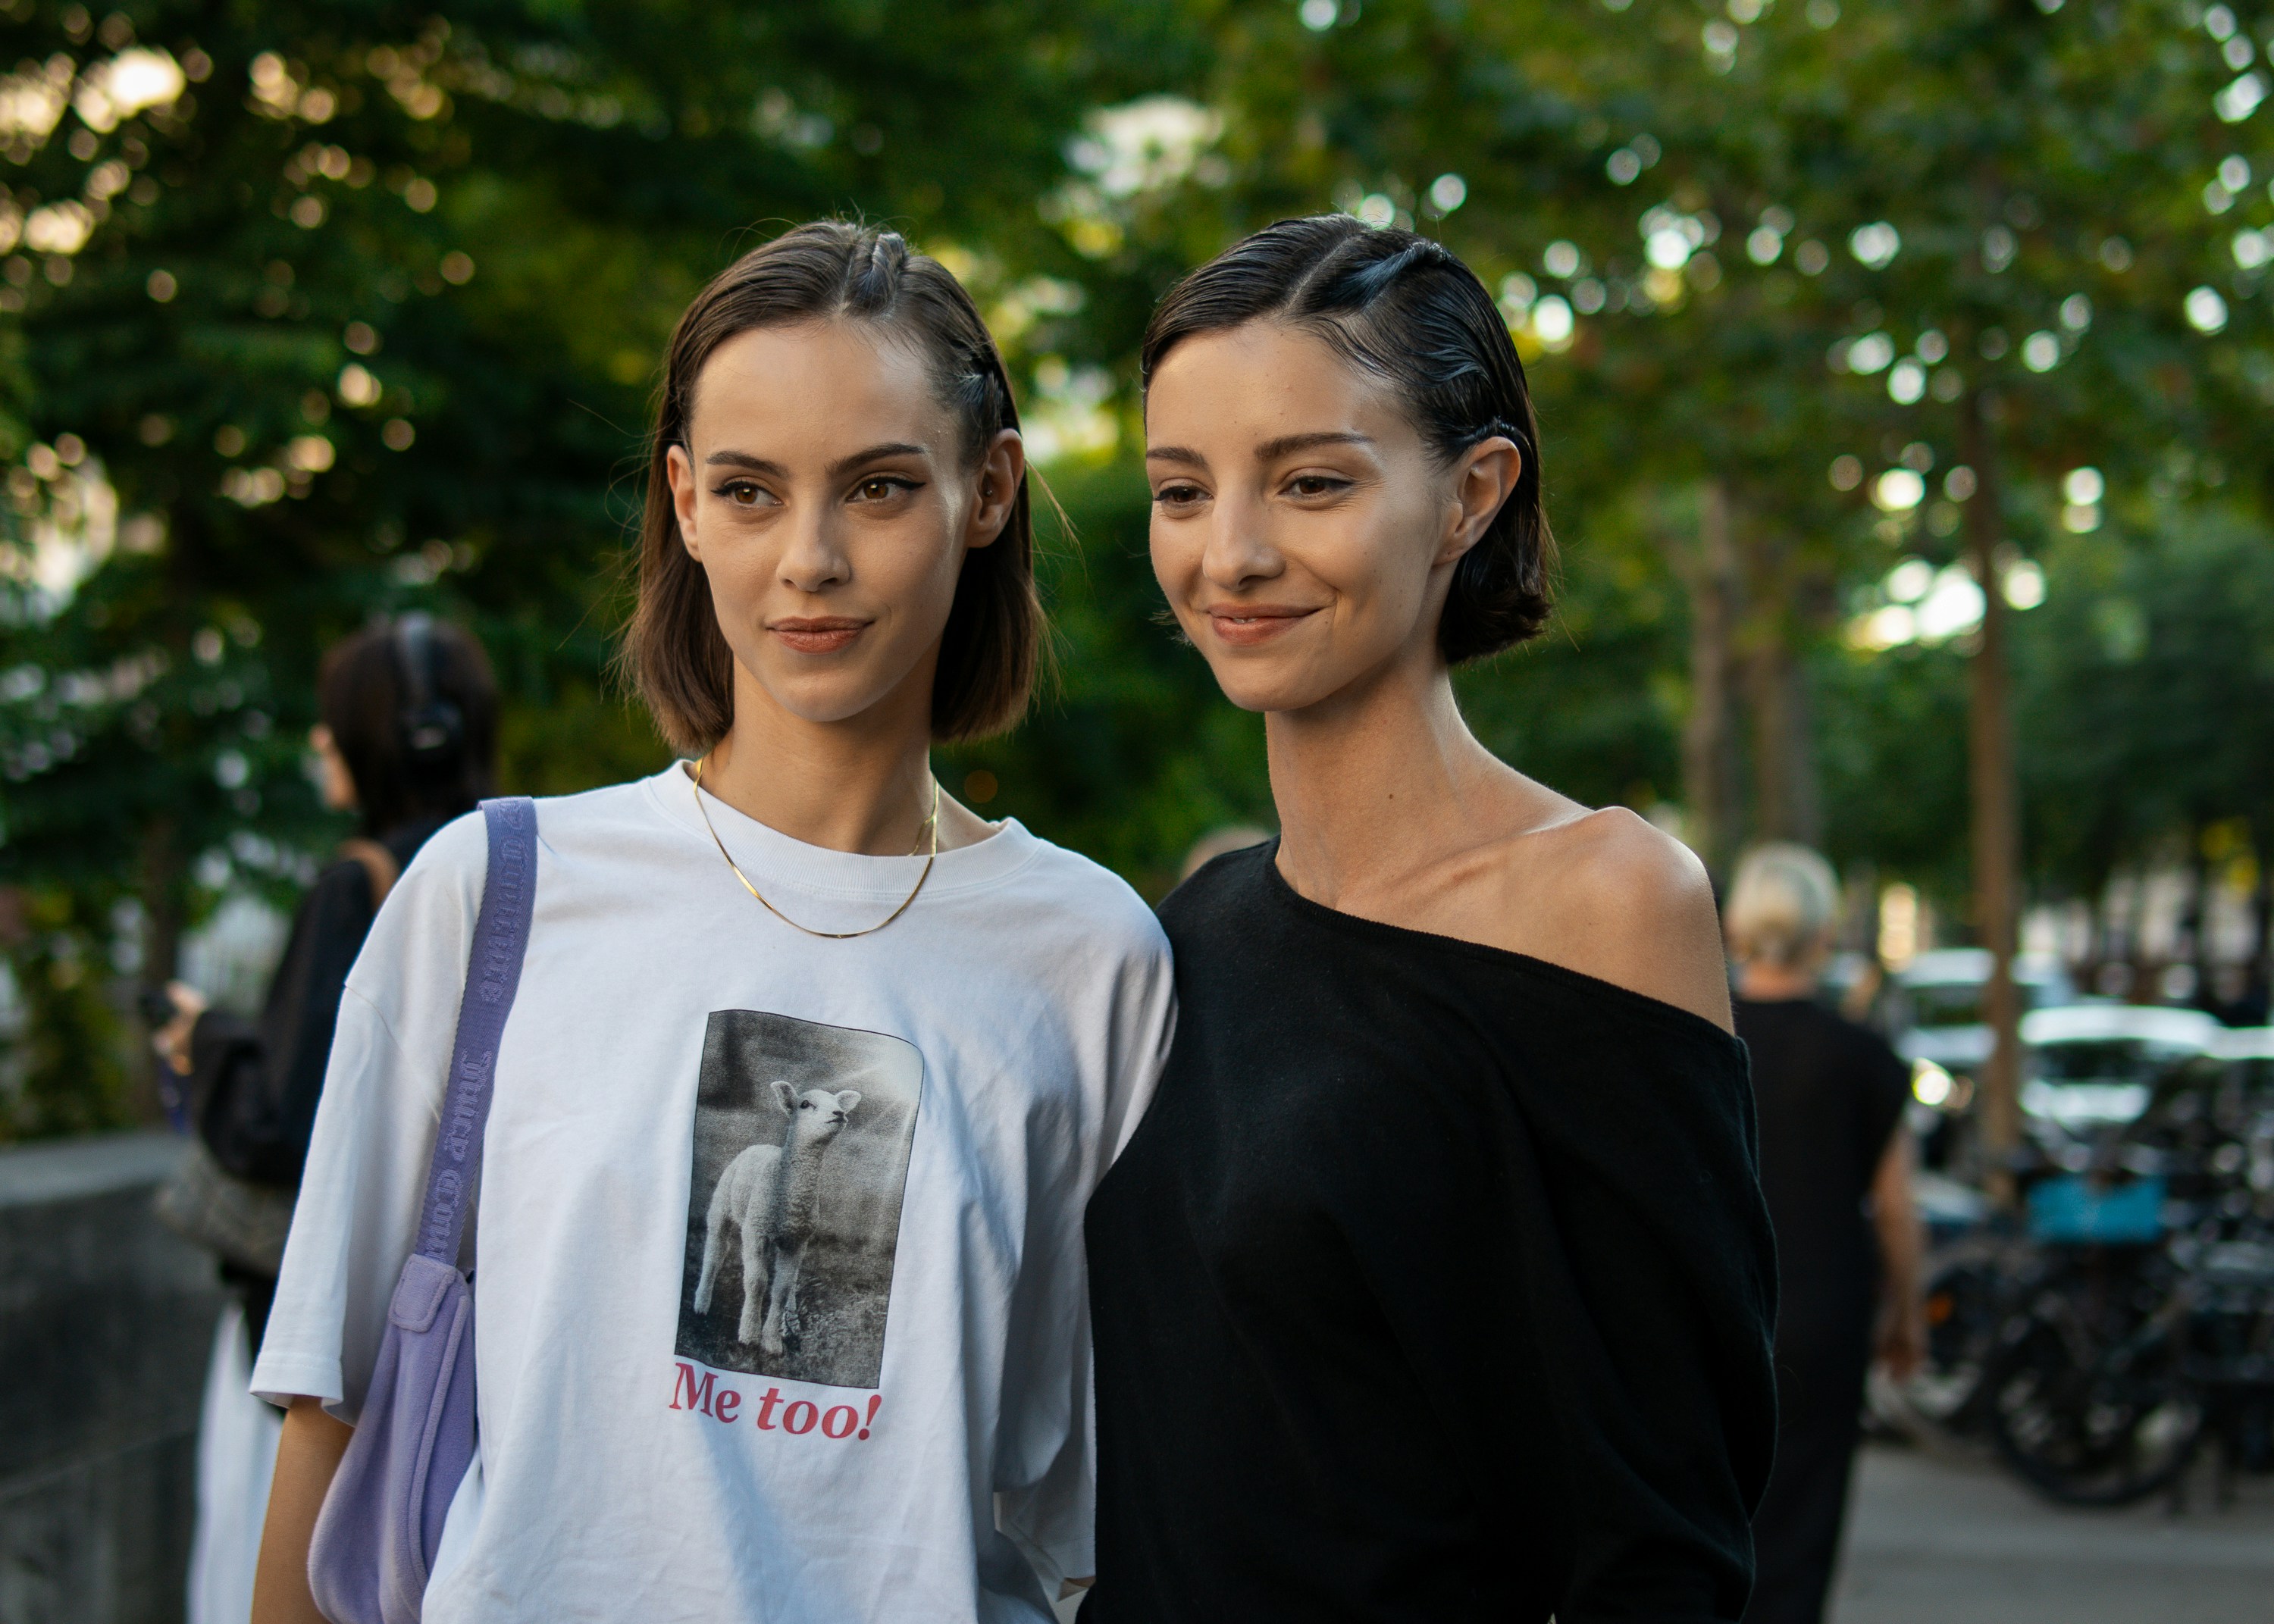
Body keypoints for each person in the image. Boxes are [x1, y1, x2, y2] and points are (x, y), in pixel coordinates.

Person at [248, 224, 1173, 1623]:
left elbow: (1109, 1503)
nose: (809, 558)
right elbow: (330, 1411)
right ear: (683, 502)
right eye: (748, 489)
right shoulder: (494, 893)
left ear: (988, 491)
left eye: (875, 486)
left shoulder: (1093, 960)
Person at [1082, 215, 1776, 1622]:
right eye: (1181, 490)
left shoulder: (1607, 899)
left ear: (1470, 495)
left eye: (1312, 481)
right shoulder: (1191, 929)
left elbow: (1665, 1541)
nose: (1232, 553)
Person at [161, 615, 496, 1624]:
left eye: (331, 724)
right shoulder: (519, 864)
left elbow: (289, 1122)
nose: (318, 745)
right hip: (479, 1322)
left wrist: (205, 1039)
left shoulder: (363, 880)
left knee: (272, 1567)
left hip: (336, 1333)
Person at [1724, 843, 1922, 1624]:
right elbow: (1899, 1209)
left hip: (1710, 1305)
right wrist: (1904, 1314)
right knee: (1802, 1531)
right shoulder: (1864, 1056)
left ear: (1737, 928)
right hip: (1823, 1314)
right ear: (1823, 932)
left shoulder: (1695, 1035)